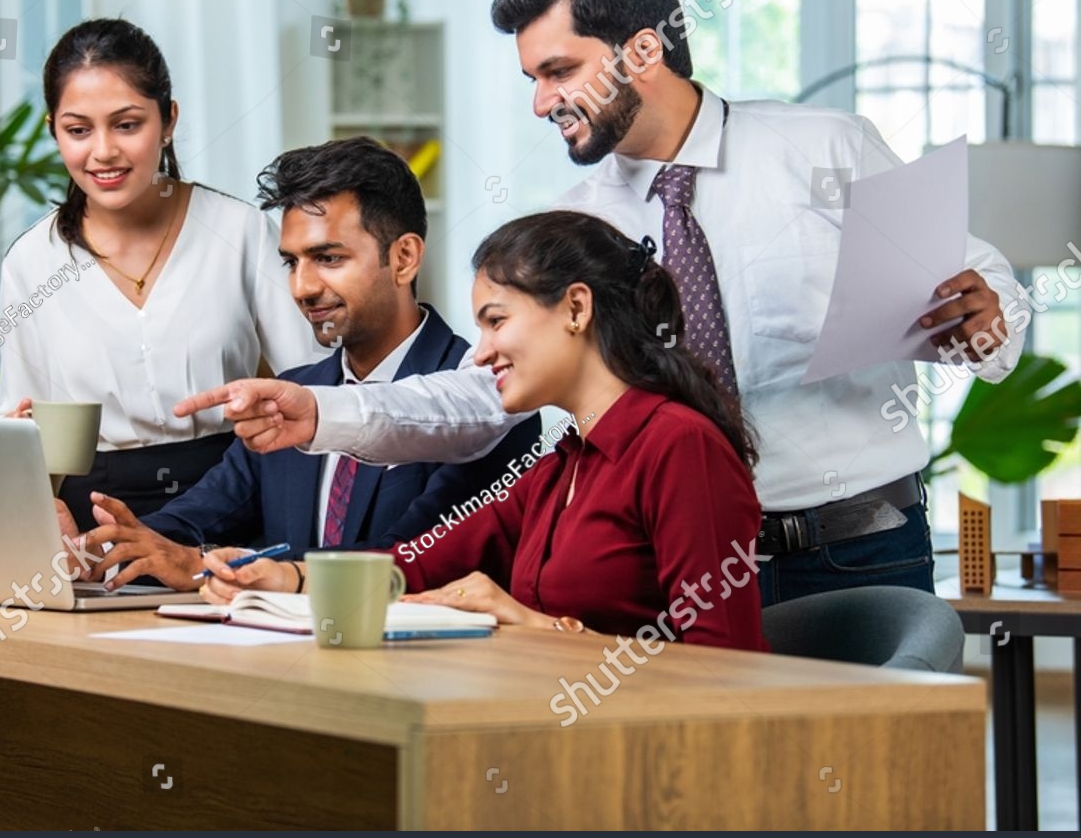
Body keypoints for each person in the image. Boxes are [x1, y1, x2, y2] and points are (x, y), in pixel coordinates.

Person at [177, 0, 1027, 607]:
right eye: (532, 79)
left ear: (643, 49)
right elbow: (482, 395)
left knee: (875, 796)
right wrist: (322, 409)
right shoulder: (575, 230)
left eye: (559, 71)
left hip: (858, 546)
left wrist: (984, 320)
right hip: (670, 559)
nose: (542, 102)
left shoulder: (824, 148)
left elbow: (984, 294)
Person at [201, 212, 768, 651]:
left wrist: (538, 626)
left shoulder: (678, 446)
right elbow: (419, 562)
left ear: (576, 308)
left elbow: (723, 663)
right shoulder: (563, 463)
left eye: (496, 321)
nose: (481, 353)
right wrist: (288, 578)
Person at [58, 137, 542, 590]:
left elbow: (407, 561)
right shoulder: (291, 394)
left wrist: (206, 568)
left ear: (404, 258)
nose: (303, 288)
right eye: (292, 262)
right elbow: (190, 522)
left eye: (328, 258)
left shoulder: (496, 398)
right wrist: (95, 550)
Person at [0, 18, 323, 535]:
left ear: (167, 120)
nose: (103, 151)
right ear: (53, 129)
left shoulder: (237, 232)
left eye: (127, 125)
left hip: (230, 503)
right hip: (90, 520)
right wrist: (44, 516)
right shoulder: (31, 262)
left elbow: (312, 382)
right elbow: (21, 423)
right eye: (78, 130)